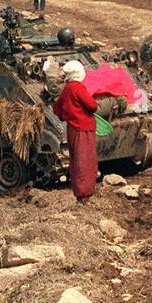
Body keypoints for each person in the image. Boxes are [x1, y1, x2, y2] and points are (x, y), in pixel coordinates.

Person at [53, 60, 99, 201]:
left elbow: (56, 108)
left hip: (72, 129)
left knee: (77, 160)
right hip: (83, 129)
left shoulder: (67, 89)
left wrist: (66, 116)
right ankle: (85, 194)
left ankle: (80, 192)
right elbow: (92, 106)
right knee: (85, 161)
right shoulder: (78, 88)